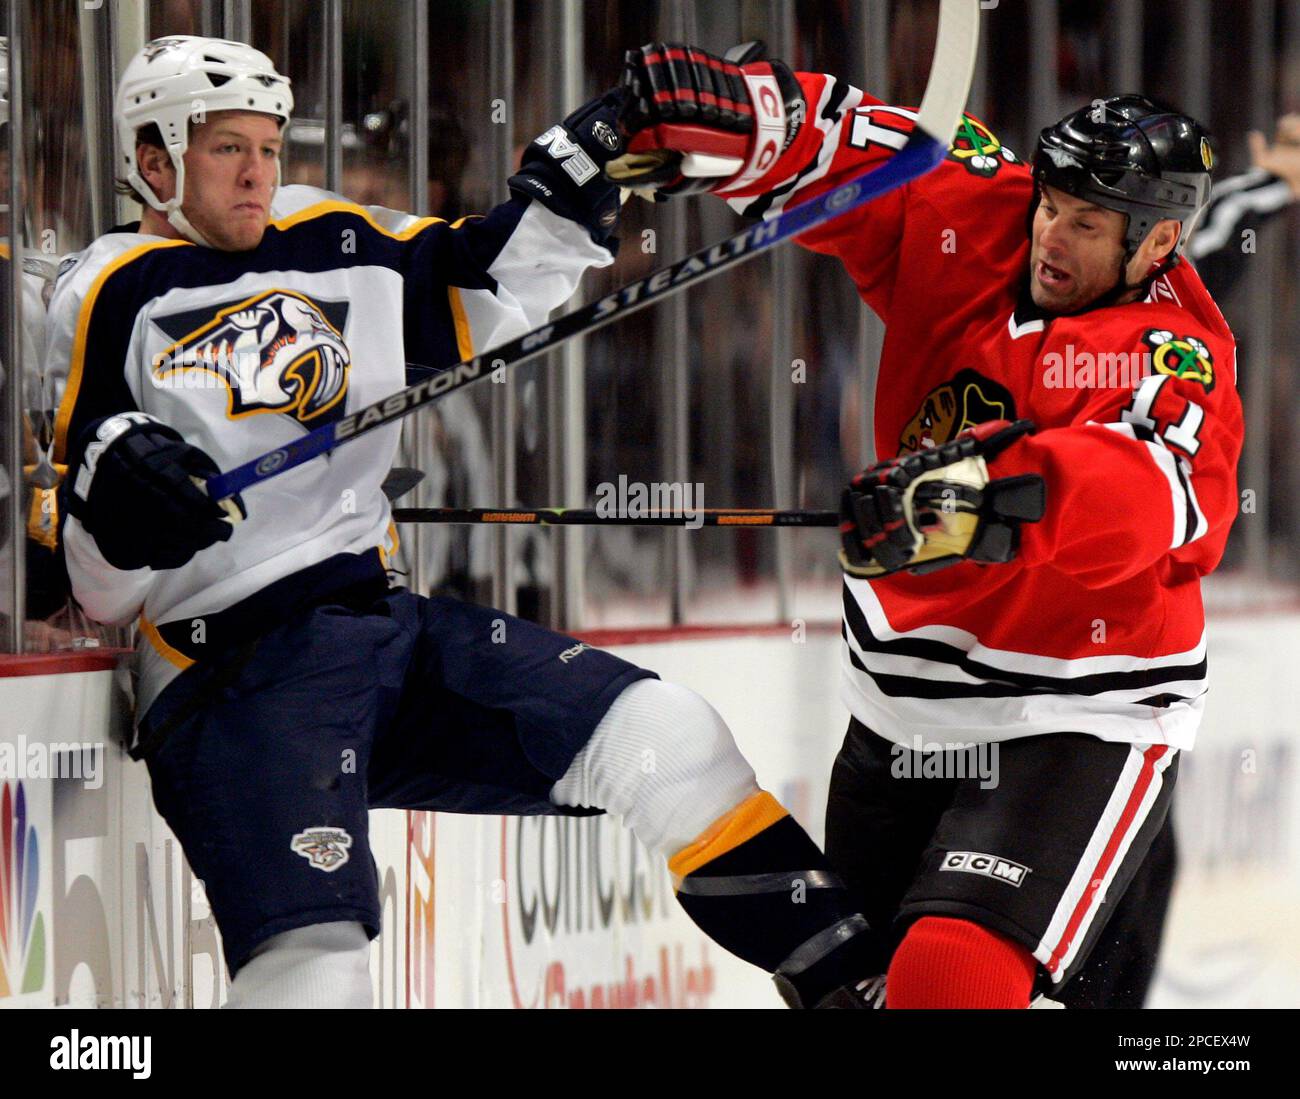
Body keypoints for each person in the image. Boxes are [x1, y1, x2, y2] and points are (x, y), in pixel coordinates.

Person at [47, 35, 881, 1008]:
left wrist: (581, 168)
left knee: (666, 732)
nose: (259, 172)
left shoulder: (333, 238)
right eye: (228, 148)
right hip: (229, 673)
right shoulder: (105, 291)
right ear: (154, 160)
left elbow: (490, 281)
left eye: (269, 147)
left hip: (381, 630)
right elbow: (99, 583)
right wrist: (123, 518)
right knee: (317, 965)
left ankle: (855, 985)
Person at [614, 45, 1243, 1008]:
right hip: (901, 704)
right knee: (838, 984)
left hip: (1073, 711)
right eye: (1052, 207)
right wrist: (749, 129)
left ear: (1158, 244)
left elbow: (1154, 497)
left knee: (947, 977)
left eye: (1087, 224)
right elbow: (873, 155)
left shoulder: (1173, 351)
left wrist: (984, 498)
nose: (1053, 237)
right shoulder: (990, 215)